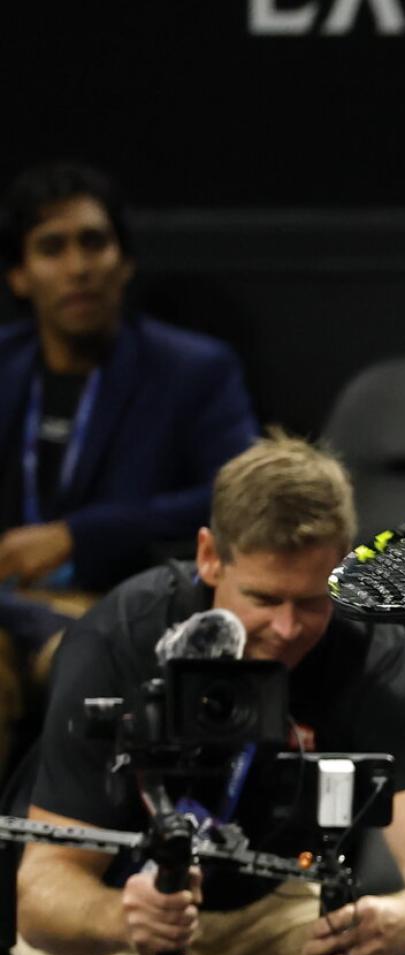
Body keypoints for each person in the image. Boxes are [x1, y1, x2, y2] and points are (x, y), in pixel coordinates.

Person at [11, 433, 405, 955]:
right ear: (210, 557)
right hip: (110, 919)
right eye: (263, 599)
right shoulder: (121, 640)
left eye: (312, 601)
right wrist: (120, 915)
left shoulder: (376, 660)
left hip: (270, 910)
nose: (287, 629)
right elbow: (42, 895)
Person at [0, 161, 259, 774]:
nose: (78, 266)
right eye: (51, 248)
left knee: (94, 660)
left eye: (95, 242)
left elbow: (242, 497)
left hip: (121, 606)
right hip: (13, 610)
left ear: (125, 261)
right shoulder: (4, 368)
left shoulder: (194, 370)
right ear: (19, 276)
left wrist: (78, 534)